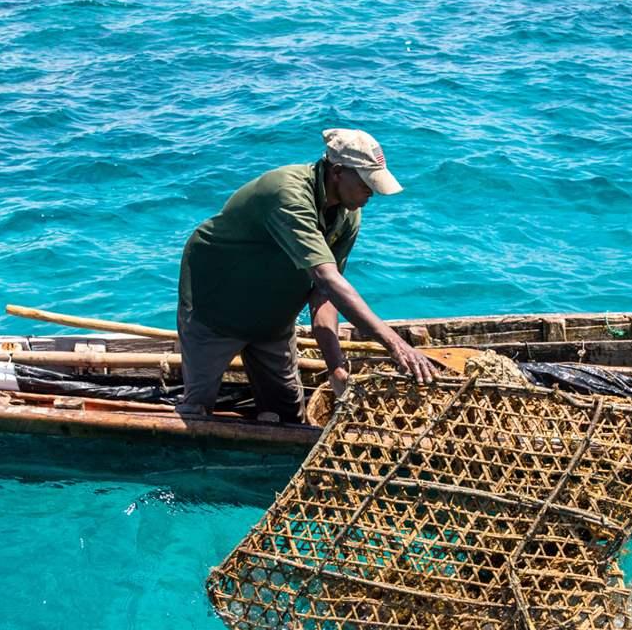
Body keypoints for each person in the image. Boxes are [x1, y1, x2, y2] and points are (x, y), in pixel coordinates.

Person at [175, 128, 439, 422]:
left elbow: (323, 294)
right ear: (338, 171)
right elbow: (326, 277)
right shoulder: (287, 194)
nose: (371, 192)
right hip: (217, 307)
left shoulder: (348, 213)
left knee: (288, 415)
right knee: (197, 412)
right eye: (366, 183)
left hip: (272, 315)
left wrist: (335, 366)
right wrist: (395, 343)